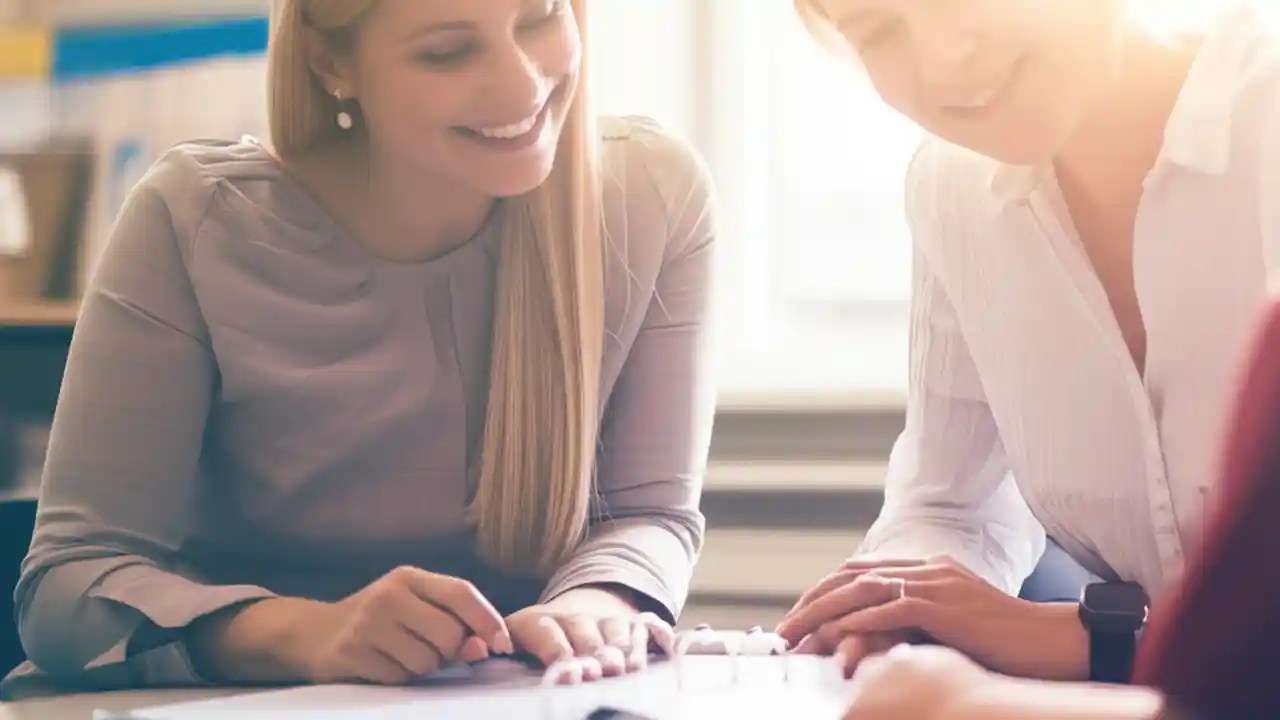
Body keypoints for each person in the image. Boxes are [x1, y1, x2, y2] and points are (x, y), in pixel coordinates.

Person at [2, 0, 718, 695]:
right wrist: (312, 635)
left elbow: (648, 515)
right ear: (329, 61)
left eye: (540, 18)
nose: (523, 84)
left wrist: (597, 605)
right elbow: (67, 588)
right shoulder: (192, 222)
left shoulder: (649, 195)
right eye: (447, 50)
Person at [777, 0, 1280, 684]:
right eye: (879, 29)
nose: (940, 60)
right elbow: (949, 505)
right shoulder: (951, 188)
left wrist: (1089, 642)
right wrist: (899, 611)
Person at [838, 298, 1280, 720]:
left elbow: (1226, 696)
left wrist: (963, 705)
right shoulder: (959, 221)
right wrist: (900, 611)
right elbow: (948, 502)